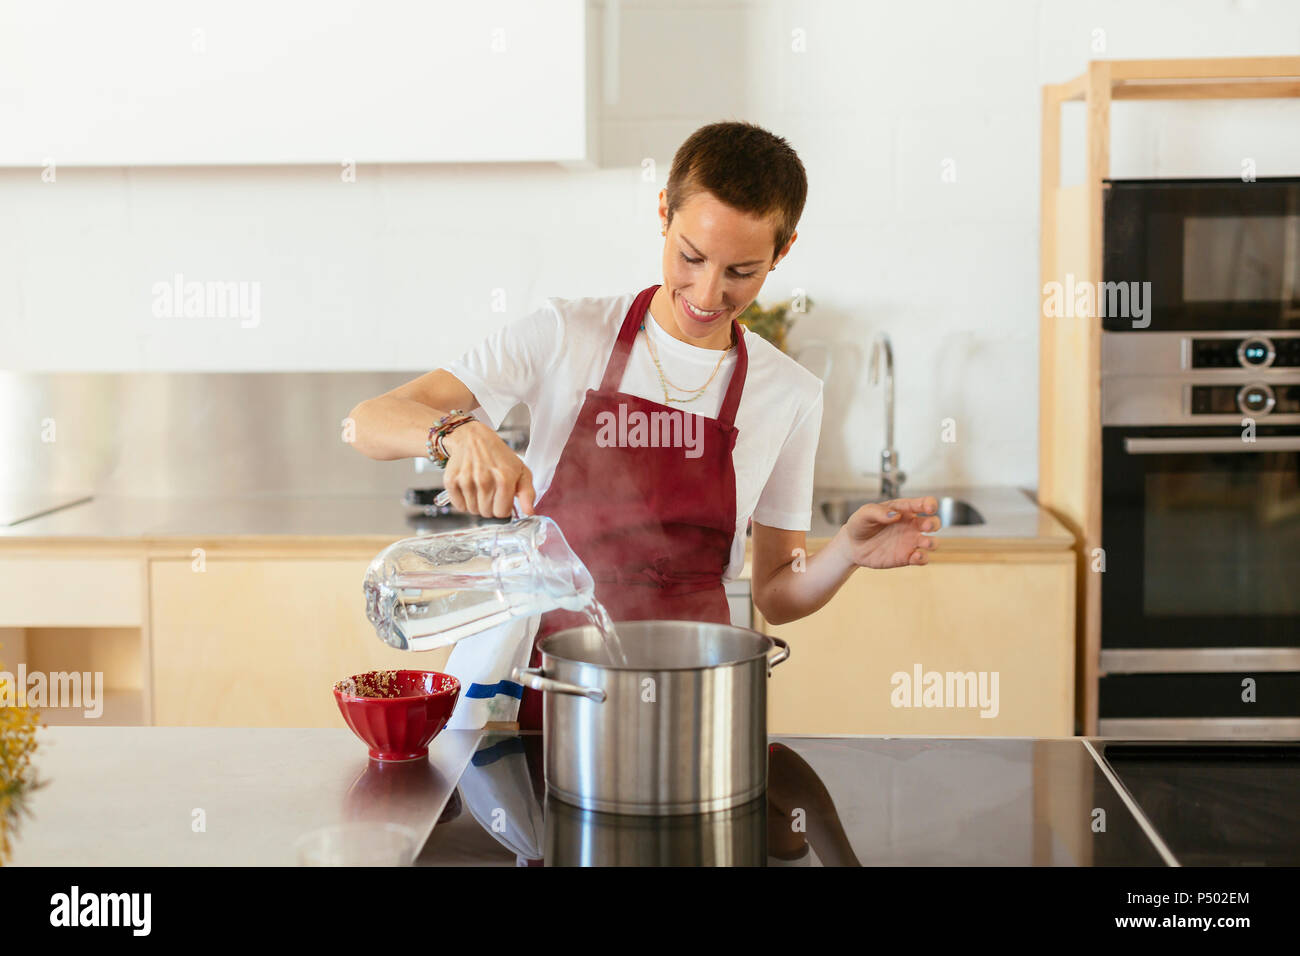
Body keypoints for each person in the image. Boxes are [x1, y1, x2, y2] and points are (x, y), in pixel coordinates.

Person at [349, 120, 938, 730]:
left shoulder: (788, 393)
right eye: (691, 257)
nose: (708, 293)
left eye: (742, 271)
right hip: (552, 690)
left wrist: (844, 553)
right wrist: (461, 433)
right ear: (663, 212)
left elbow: (776, 594)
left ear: (782, 252)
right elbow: (367, 422)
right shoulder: (567, 334)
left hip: (698, 710)